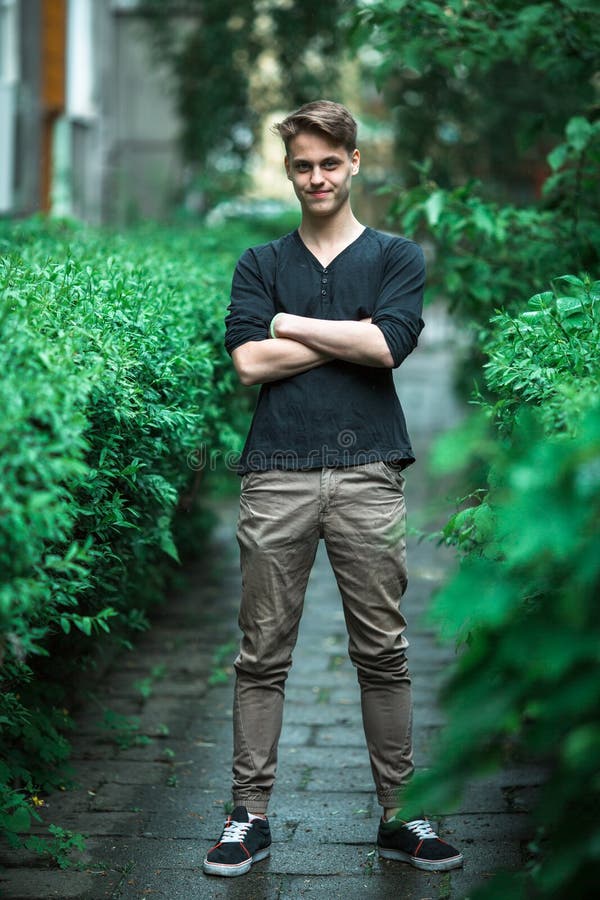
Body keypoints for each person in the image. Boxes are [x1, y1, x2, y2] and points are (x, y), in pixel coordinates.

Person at [203, 100, 463, 878]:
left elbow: (388, 348)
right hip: (275, 473)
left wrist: (287, 326)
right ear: (290, 171)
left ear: (353, 163)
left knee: (383, 650)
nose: (315, 177)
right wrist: (345, 333)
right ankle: (248, 817)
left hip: (370, 473)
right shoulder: (260, 260)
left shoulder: (396, 257)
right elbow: (248, 365)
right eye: (302, 165)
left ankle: (401, 814)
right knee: (262, 654)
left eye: (329, 162)